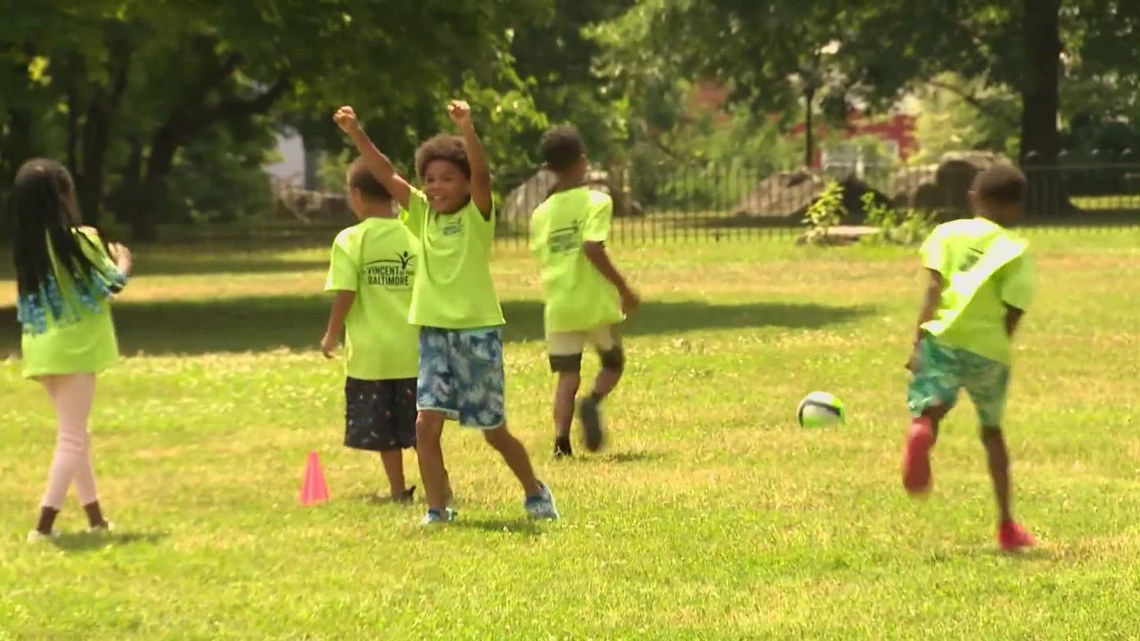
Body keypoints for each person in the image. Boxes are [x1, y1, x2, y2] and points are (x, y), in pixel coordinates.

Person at [333, 101, 558, 524]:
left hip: (476, 334)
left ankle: (534, 490)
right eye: (430, 180)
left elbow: (483, 173)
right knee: (425, 426)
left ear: (466, 185)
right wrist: (355, 132)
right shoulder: (419, 217)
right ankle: (438, 509)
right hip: (433, 334)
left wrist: (467, 128)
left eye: (447, 180)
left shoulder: (477, 216)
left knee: (492, 430)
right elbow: (384, 172)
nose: (436, 187)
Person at [901, 163, 1036, 551]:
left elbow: (932, 289)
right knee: (992, 433)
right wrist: (998, 345)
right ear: (1015, 208)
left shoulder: (946, 233)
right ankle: (1007, 525)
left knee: (930, 408)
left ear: (974, 198)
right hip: (988, 348)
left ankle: (923, 427)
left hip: (942, 338)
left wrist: (918, 341)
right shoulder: (1016, 250)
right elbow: (1014, 308)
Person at [11, 159, 132, 542]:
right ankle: (43, 527)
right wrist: (123, 263)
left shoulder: (28, 248)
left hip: (42, 348)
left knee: (76, 433)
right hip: (75, 350)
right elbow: (110, 284)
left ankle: (95, 517)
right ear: (63, 195)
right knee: (72, 437)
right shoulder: (81, 239)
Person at [529, 125, 639, 458]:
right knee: (612, 363)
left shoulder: (540, 213)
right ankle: (590, 402)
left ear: (548, 168)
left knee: (566, 375)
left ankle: (561, 443)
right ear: (582, 161)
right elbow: (593, 247)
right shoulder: (597, 201)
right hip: (592, 302)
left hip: (559, 305)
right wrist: (624, 288)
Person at [320, 158, 422, 503]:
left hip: (372, 356)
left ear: (356, 195)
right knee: (422, 429)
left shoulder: (350, 239)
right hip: (415, 351)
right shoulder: (414, 234)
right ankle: (441, 486)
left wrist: (331, 333)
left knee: (385, 432)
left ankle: (397, 489)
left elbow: (346, 292)